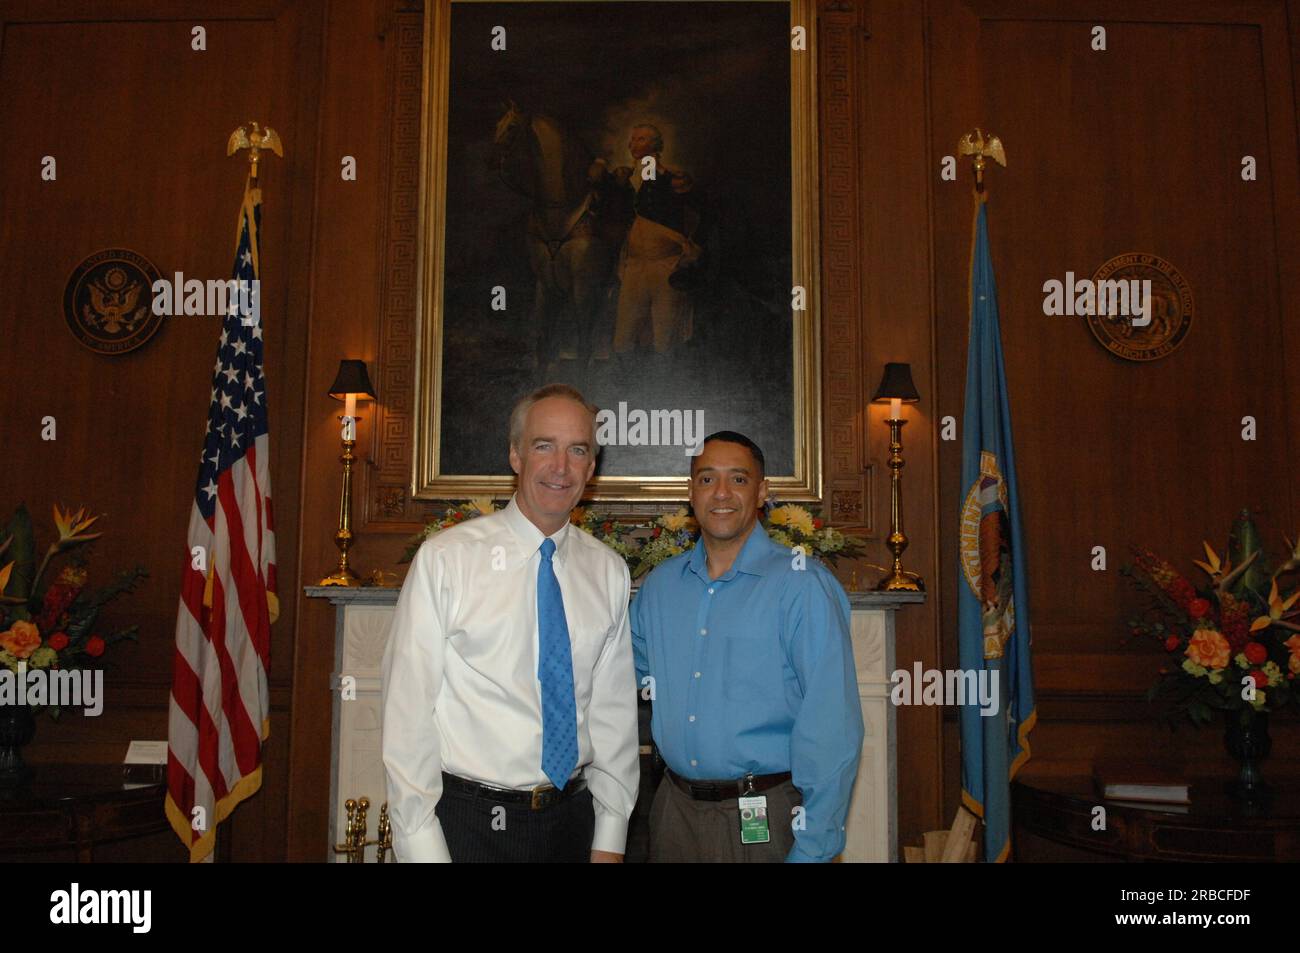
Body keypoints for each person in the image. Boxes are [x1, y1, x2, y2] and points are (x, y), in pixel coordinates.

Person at [381, 383, 639, 862]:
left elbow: (614, 715)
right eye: (544, 446)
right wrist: (422, 850)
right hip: (467, 828)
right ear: (516, 456)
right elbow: (406, 718)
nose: (560, 467)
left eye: (577, 450)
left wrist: (610, 837)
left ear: (592, 467)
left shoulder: (608, 571)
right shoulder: (446, 560)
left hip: (572, 825)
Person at [631, 431, 863, 862]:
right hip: (672, 815)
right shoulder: (660, 587)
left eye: (738, 480)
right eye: (706, 479)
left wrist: (813, 849)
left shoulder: (802, 585)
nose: (721, 493)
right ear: (690, 492)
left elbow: (832, 728)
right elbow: (621, 673)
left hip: (766, 817)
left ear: (762, 492)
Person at [604, 123, 703, 356]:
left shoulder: (672, 179)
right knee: (624, 338)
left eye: (640, 139)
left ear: (655, 144)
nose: (632, 144)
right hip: (634, 264)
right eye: (632, 140)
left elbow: (696, 213)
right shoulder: (626, 179)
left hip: (665, 265)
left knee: (665, 337)